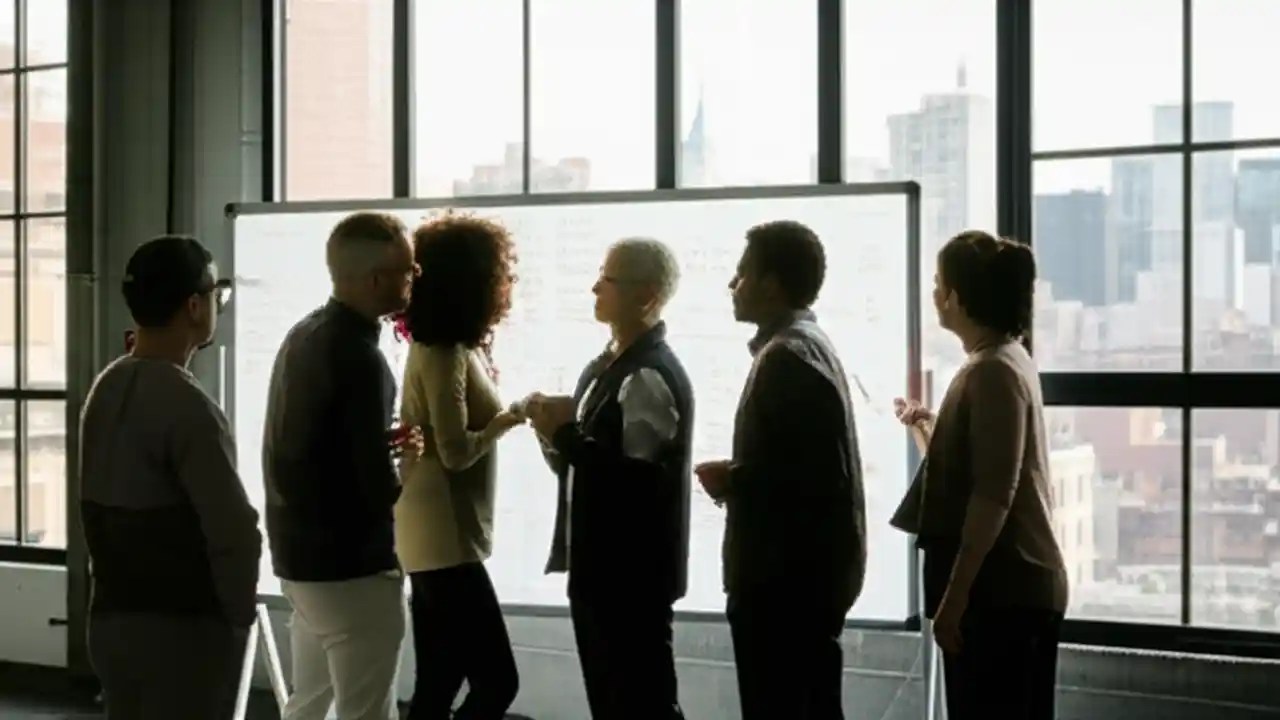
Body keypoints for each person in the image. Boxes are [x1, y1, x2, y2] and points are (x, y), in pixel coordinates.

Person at [80, 235, 260, 719]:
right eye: (218, 295)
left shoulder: (107, 385)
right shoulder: (188, 405)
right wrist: (238, 623)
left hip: (111, 624)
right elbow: (233, 530)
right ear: (195, 307)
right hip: (181, 634)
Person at [890, 230, 1068, 719]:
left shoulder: (990, 371)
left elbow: (993, 494)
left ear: (954, 296)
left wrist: (954, 600)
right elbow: (980, 473)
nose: (932, 295)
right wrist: (930, 430)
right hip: (1012, 591)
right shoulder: (1004, 359)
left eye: (937, 283)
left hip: (1002, 596)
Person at [695, 220, 866, 720]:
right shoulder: (809, 343)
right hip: (803, 584)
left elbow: (810, 479)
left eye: (741, 273)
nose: (733, 284)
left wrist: (734, 479)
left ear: (770, 283)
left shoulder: (786, 355)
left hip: (782, 588)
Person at [525, 237, 693, 720]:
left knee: (641, 702)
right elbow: (582, 465)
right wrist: (552, 433)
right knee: (612, 700)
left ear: (644, 296)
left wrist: (566, 434)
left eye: (608, 278)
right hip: (600, 573)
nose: (594, 285)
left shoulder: (646, 376)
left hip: (630, 578)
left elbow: (638, 483)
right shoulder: (605, 367)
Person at [263, 211, 419, 720]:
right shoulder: (362, 358)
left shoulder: (302, 333)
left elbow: (308, 444)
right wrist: (410, 464)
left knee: (306, 703)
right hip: (353, 570)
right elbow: (376, 490)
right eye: (407, 270)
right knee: (368, 711)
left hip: (298, 560)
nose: (414, 279)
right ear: (377, 280)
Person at [395, 213, 525, 720]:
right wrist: (510, 419)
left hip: (427, 533)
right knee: (498, 681)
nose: (507, 286)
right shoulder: (446, 351)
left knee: (440, 678)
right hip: (445, 536)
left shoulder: (431, 343)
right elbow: (453, 451)